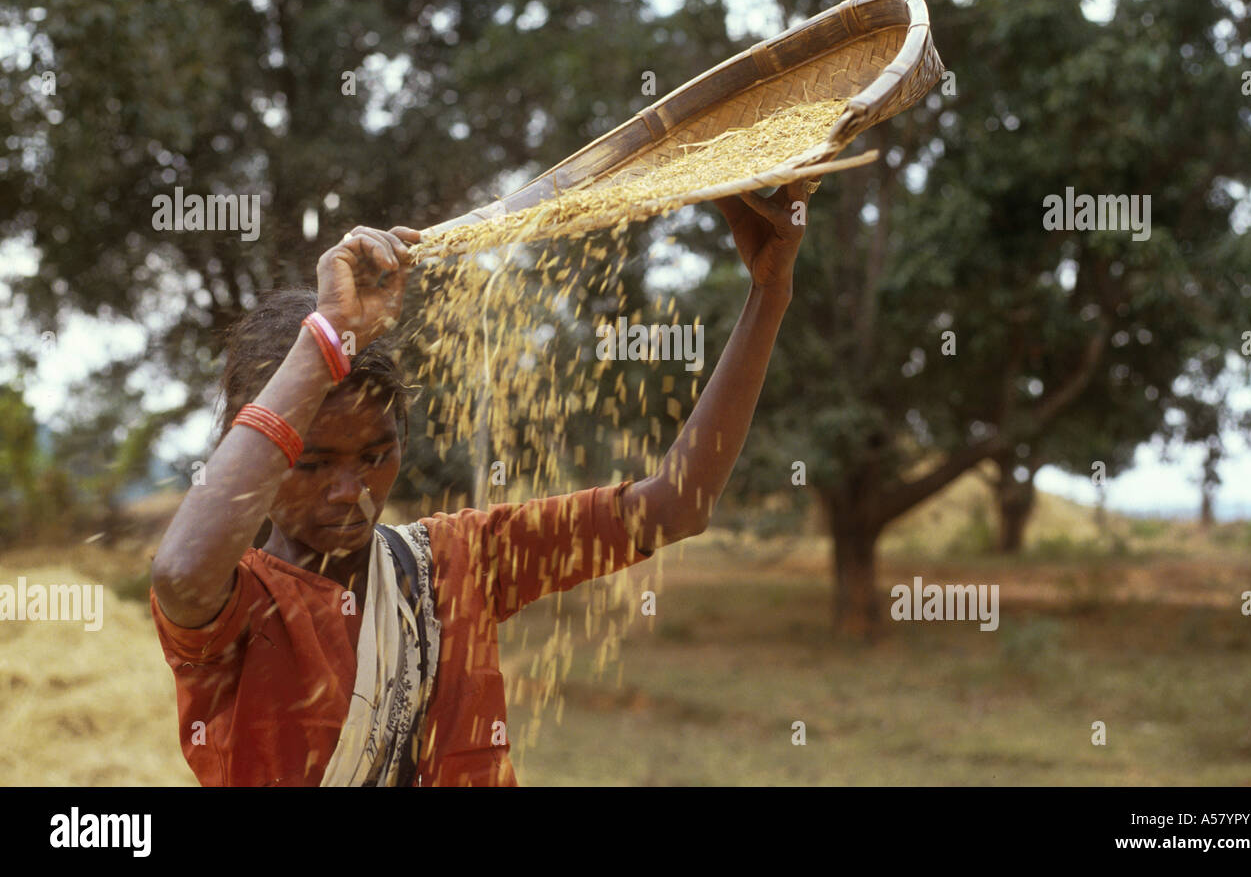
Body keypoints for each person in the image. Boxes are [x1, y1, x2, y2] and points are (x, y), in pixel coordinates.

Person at [149, 182, 812, 786]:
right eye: (313, 463)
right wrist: (328, 338)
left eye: (377, 454)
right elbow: (179, 573)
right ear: (260, 454)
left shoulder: (456, 562)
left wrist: (770, 291)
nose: (351, 490)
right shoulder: (238, 609)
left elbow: (675, 505)